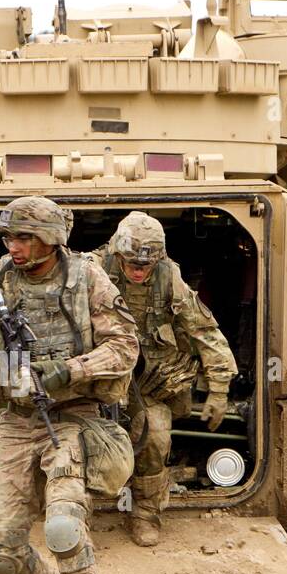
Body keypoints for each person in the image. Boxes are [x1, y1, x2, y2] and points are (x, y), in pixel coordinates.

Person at [0, 196, 139, 574]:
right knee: (0, 555)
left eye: (24, 237)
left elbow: (125, 348)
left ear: (50, 240)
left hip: (73, 417)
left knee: (62, 527)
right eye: (10, 237)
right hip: (17, 421)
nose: (14, 246)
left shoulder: (86, 278)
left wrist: (68, 371)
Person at [96, 212, 238, 546]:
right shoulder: (92, 270)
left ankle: (145, 514)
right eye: (132, 263)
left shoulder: (167, 277)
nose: (139, 271)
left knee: (156, 437)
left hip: (148, 382)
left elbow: (204, 331)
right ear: (117, 254)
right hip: (97, 378)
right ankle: (77, 511)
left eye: (147, 264)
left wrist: (218, 389)